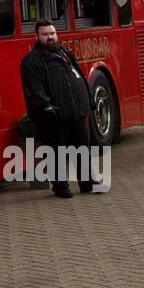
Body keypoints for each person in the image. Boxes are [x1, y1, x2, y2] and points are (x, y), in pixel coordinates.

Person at [19, 20, 96, 198]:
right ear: (36, 37)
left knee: (83, 149)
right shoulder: (31, 62)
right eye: (45, 34)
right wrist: (47, 108)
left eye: (52, 33)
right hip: (54, 117)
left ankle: (88, 183)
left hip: (78, 112)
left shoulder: (64, 52)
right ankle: (60, 187)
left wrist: (88, 100)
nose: (50, 37)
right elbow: (34, 90)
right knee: (55, 154)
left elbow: (79, 76)